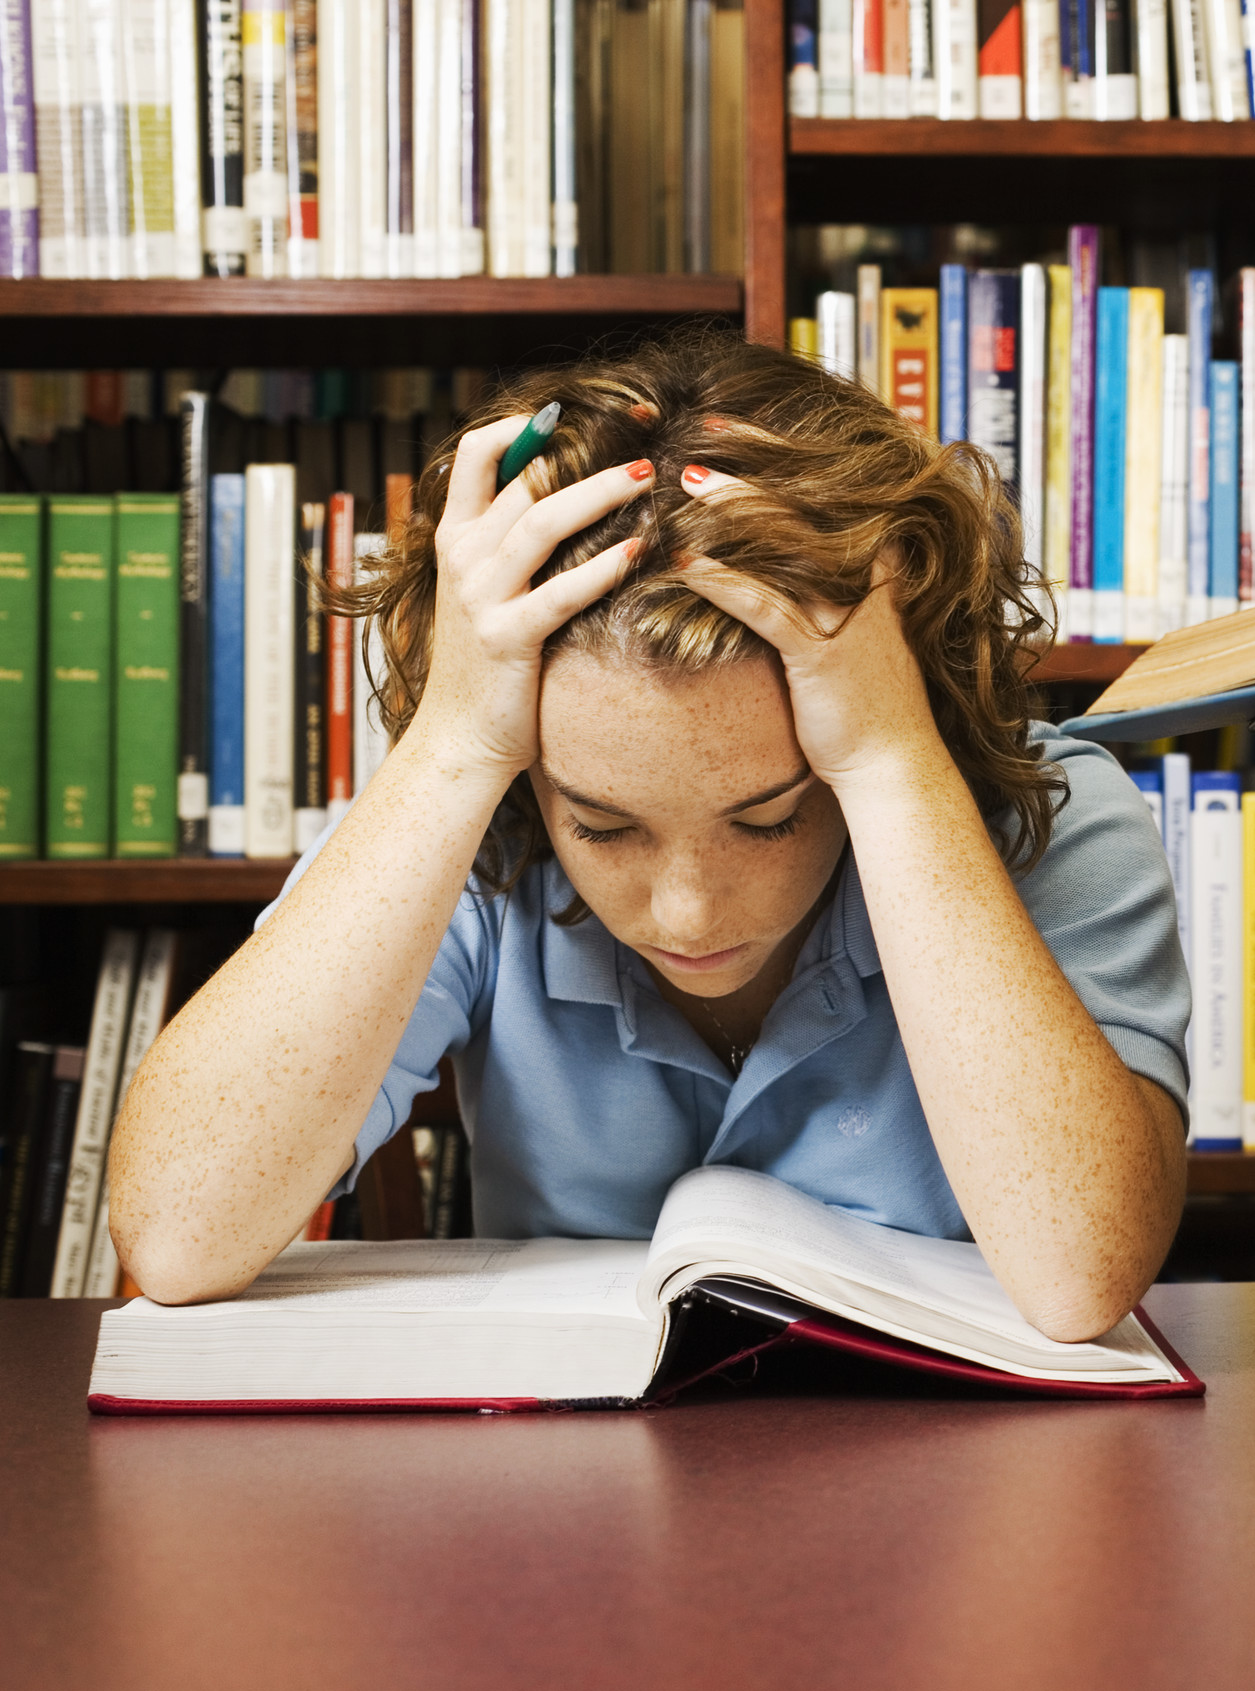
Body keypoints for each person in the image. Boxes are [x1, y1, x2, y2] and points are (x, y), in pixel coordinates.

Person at [108, 331, 1192, 1343]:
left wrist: (892, 757)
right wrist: (450, 742)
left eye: (769, 817)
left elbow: (1077, 1278)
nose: (688, 912)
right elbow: (175, 1233)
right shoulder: (479, 824)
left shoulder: (1052, 816)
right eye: (603, 825)